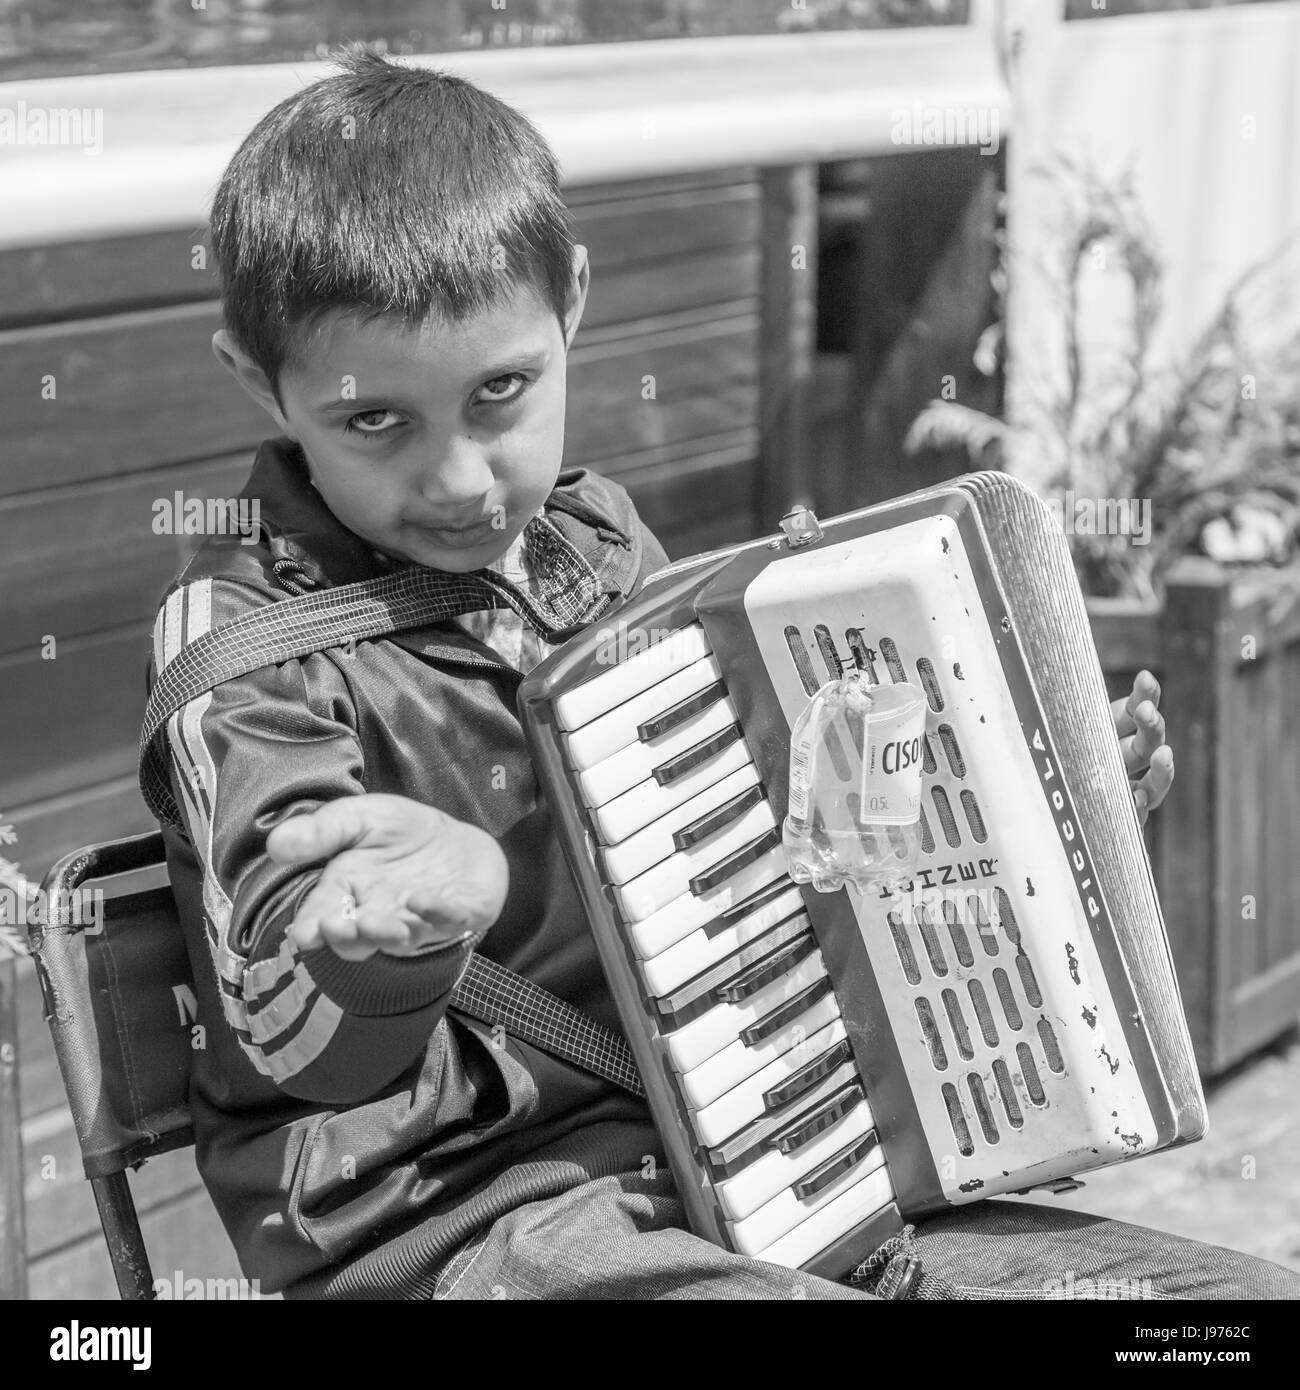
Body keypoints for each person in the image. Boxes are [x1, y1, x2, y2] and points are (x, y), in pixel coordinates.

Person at [146, 48, 1295, 1301]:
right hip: (462, 1228)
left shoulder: (598, 545)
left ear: (572, 303)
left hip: (757, 1160)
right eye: (378, 421)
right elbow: (304, 1052)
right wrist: (397, 946)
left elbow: (780, 856)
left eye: (501, 394)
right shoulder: (237, 647)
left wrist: (1023, 817)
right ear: (263, 384)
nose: (461, 479)